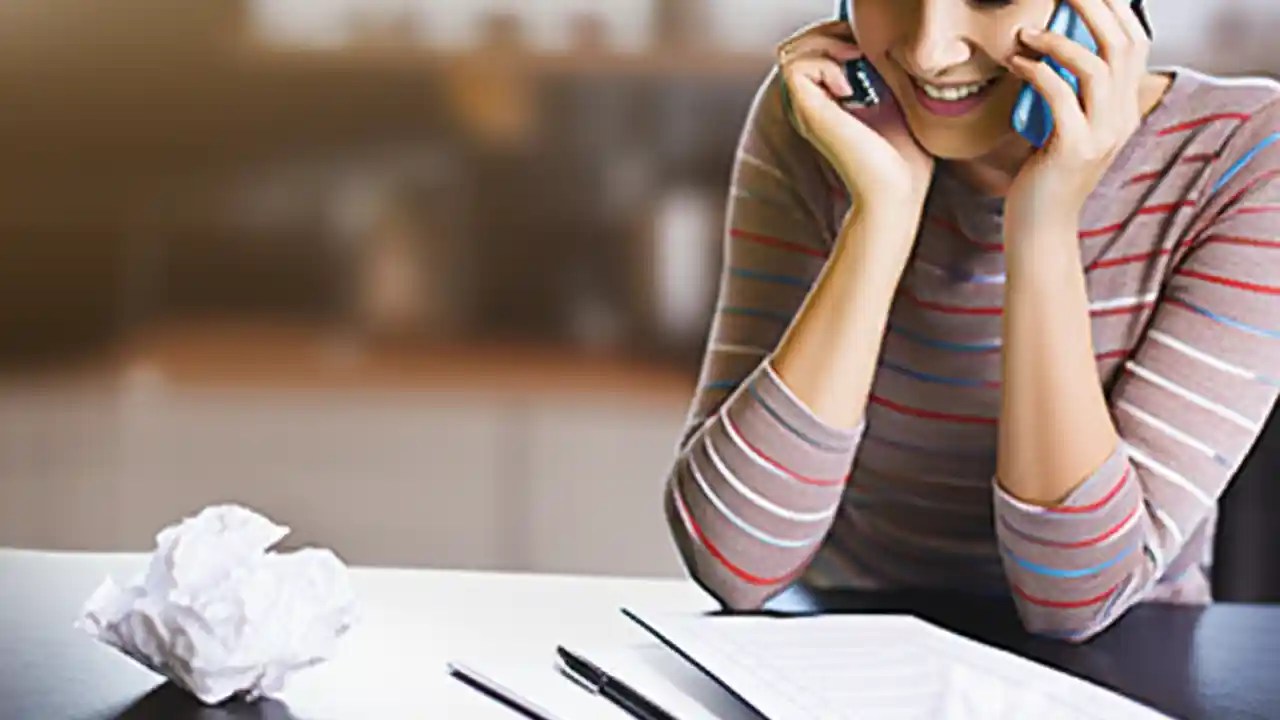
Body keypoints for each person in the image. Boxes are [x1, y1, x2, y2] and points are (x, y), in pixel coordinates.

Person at [662, 0, 1280, 642]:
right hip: (850, 655)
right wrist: (880, 217)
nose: (930, 50)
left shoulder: (1247, 154)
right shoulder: (824, 115)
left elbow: (1076, 600)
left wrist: (1042, 226)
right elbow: (733, 560)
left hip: (1128, 663)